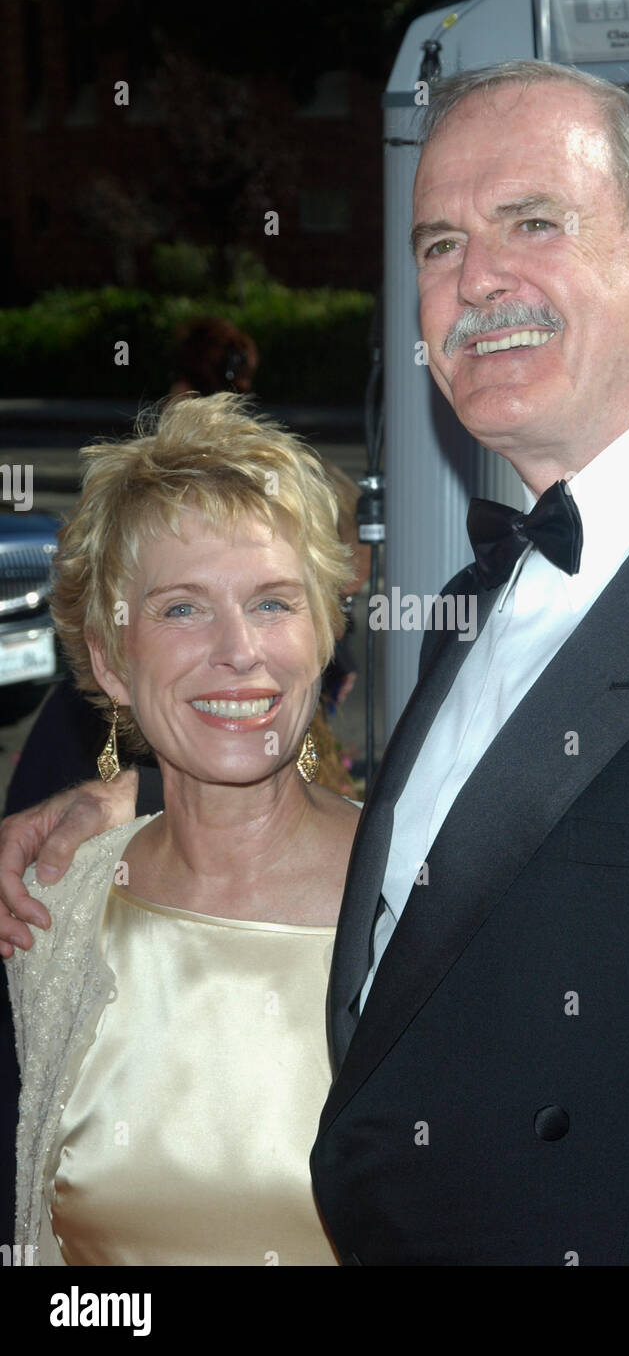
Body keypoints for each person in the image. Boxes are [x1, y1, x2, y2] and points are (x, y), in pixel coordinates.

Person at [3, 61, 629, 1267]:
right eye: (439, 244)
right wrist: (123, 793)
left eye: (532, 222)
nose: (476, 279)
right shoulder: (474, 606)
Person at [3, 392, 358, 1264]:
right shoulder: (52, 902)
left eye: (274, 602)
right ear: (109, 662)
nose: (238, 649)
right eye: (182, 609)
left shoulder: (418, 901)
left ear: (322, 635)